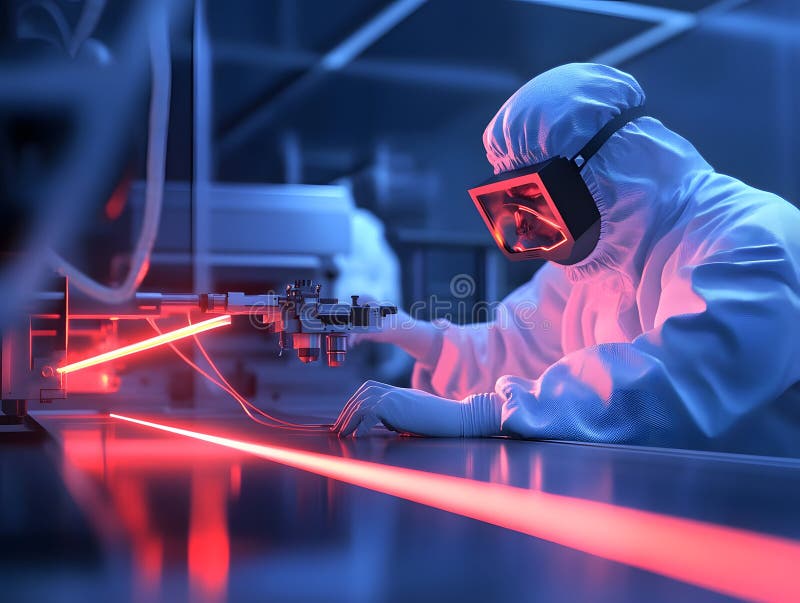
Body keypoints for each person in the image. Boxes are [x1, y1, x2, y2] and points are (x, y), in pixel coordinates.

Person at [333, 63, 800, 457]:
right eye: (507, 207)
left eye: (534, 202)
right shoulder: (593, 264)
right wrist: (416, 335)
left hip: (760, 513)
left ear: (608, 174)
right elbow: (515, 347)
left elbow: (670, 390)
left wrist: (481, 414)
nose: (523, 229)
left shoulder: (752, 236)